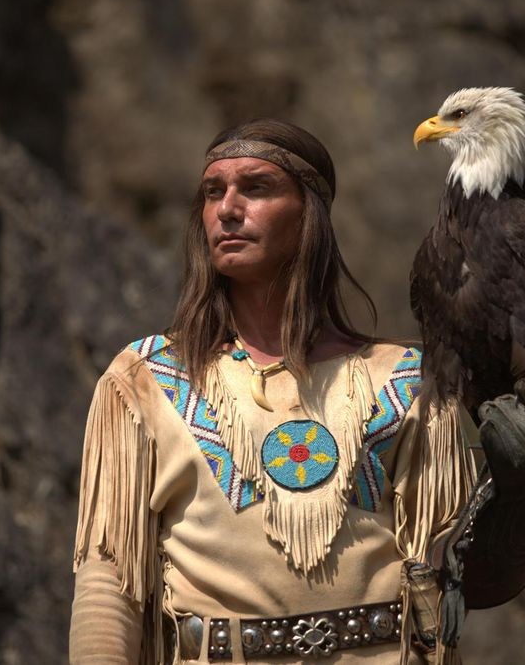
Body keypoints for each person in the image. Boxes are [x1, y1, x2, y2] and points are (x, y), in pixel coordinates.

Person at [69, 119, 480, 664]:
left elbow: (466, 578)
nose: (227, 210)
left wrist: (524, 495)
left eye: (256, 188)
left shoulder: (407, 380)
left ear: (308, 214)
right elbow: (108, 580)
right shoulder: (147, 379)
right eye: (213, 192)